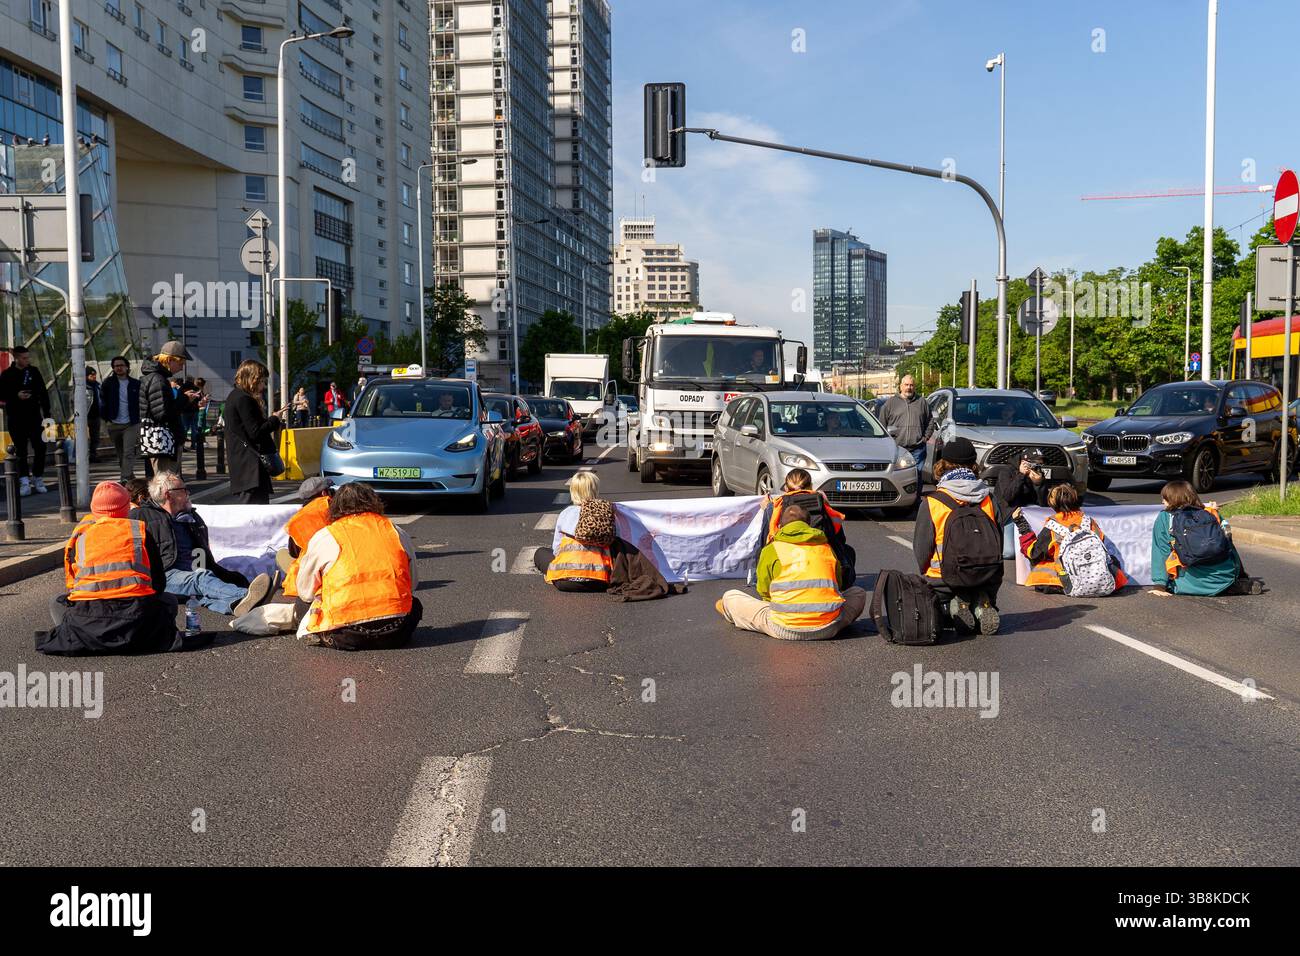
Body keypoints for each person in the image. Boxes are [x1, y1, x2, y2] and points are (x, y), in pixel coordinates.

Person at [37, 481, 193, 655]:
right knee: (169, 600)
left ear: (93, 509)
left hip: (89, 619)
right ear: (127, 507)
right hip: (137, 618)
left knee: (55, 602)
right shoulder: (138, 530)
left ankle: (83, 638)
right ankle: (140, 635)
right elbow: (158, 582)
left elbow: (73, 585)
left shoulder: (81, 534)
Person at [294, 482, 422, 650]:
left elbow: (305, 592)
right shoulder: (395, 531)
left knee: (303, 603)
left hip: (345, 634)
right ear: (375, 503)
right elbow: (412, 584)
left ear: (334, 506)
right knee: (415, 604)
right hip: (396, 632)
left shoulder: (326, 536)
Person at [717, 504, 867, 640]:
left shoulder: (772, 549)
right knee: (858, 593)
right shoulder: (826, 547)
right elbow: (838, 585)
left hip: (784, 627)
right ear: (808, 525)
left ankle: (727, 608)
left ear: (780, 526)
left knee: (730, 596)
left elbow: (764, 590)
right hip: (829, 626)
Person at [131, 472, 272, 616]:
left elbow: (205, 554)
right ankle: (245, 596)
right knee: (200, 579)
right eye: (183, 490)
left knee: (209, 592)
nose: (188, 493)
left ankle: (238, 606)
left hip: (194, 572)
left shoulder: (191, 516)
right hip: (163, 575)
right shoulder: (140, 516)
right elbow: (131, 551)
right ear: (168, 495)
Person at [912, 437, 1007, 635]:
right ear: (974, 465)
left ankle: (952, 606)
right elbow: (999, 539)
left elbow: (921, 549)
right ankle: (981, 603)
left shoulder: (933, 502)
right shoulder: (989, 498)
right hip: (987, 576)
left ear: (943, 464)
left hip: (944, 580)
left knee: (937, 607)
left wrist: (926, 573)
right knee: (981, 587)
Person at [1151, 480, 1263, 596]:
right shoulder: (1211, 513)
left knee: (1172, 582)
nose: (1162, 501)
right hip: (1224, 577)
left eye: (1165, 498)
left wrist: (1160, 585)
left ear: (1172, 500)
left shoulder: (1164, 517)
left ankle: (1192, 587)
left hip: (1189, 584)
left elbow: (1161, 551)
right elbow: (1229, 545)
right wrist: (1241, 576)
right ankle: (1233, 586)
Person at [1013, 483, 1128, 594]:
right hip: (1096, 571)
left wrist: (1021, 524)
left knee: (1039, 568)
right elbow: (1101, 545)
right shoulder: (1088, 521)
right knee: (1113, 560)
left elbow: (1034, 553)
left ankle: (1065, 586)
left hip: (1067, 575)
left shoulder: (1053, 525)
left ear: (1053, 503)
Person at [754, 468, 855, 588]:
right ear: (811, 486)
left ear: (786, 488)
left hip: (785, 573)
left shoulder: (774, 508)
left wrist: (767, 509)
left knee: (763, 553)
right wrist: (827, 506)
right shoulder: (822, 505)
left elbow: (764, 543)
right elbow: (839, 540)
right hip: (822, 574)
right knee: (849, 551)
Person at [534, 471, 613, 591]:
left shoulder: (567, 513)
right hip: (600, 580)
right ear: (595, 490)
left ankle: (552, 575)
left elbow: (557, 550)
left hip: (565, 581)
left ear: (573, 491)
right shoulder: (605, 512)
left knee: (540, 553)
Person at [224, 359, 284, 505]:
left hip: (243, 463)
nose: (263, 386)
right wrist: (274, 420)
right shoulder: (244, 399)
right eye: (262, 382)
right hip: (251, 465)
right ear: (252, 379)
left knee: (252, 510)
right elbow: (256, 432)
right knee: (254, 513)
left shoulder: (234, 396)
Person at [139, 341, 203, 475]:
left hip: (161, 440)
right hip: (163, 441)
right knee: (166, 482)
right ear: (168, 360)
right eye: (180, 363)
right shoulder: (158, 379)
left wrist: (185, 399)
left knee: (166, 482)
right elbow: (163, 414)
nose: (181, 368)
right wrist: (185, 399)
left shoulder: (155, 377)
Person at [0, 345, 51, 496]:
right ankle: (24, 480)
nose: (27, 360)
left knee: (40, 446)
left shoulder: (33, 372)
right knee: (20, 449)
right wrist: (16, 395)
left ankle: (37, 476)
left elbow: (42, 391)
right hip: (16, 416)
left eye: (28, 357)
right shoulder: (7, 375)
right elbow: (1, 393)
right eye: (24, 358)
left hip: (34, 416)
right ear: (16, 358)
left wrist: (46, 412)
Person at [277, 476, 334, 601]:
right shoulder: (337, 508)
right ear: (324, 493)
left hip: (311, 577)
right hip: (338, 567)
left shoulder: (298, 519)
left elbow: (294, 552)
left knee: (284, 555)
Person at [879, 374, 934, 478]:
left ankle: (916, 495)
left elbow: (930, 420)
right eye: (906, 385)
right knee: (899, 477)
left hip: (918, 448)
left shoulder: (922, 402)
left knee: (916, 476)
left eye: (911, 385)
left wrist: (925, 437)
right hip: (897, 448)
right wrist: (887, 441)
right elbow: (881, 423)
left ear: (914, 387)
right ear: (901, 386)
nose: (909, 387)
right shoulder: (891, 403)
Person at [101, 355, 142, 481]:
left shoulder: (136, 383)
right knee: (120, 454)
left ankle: (124, 478)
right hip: (113, 424)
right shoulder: (108, 383)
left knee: (128, 453)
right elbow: (102, 402)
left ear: (127, 367)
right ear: (113, 368)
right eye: (116, 366)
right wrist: (106, 419)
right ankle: (130, 477)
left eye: (121, 365)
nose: (119, 368)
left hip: (131, 423)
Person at [85, 366, 102, 463]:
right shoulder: (82, 387)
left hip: (96, 415)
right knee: (84, 438)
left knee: (95, 437)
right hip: (86, 416)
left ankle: (93, 454)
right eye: (91, 375)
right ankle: (84, 455)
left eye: (95, 375)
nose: (94, 377)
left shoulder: (97, 386)